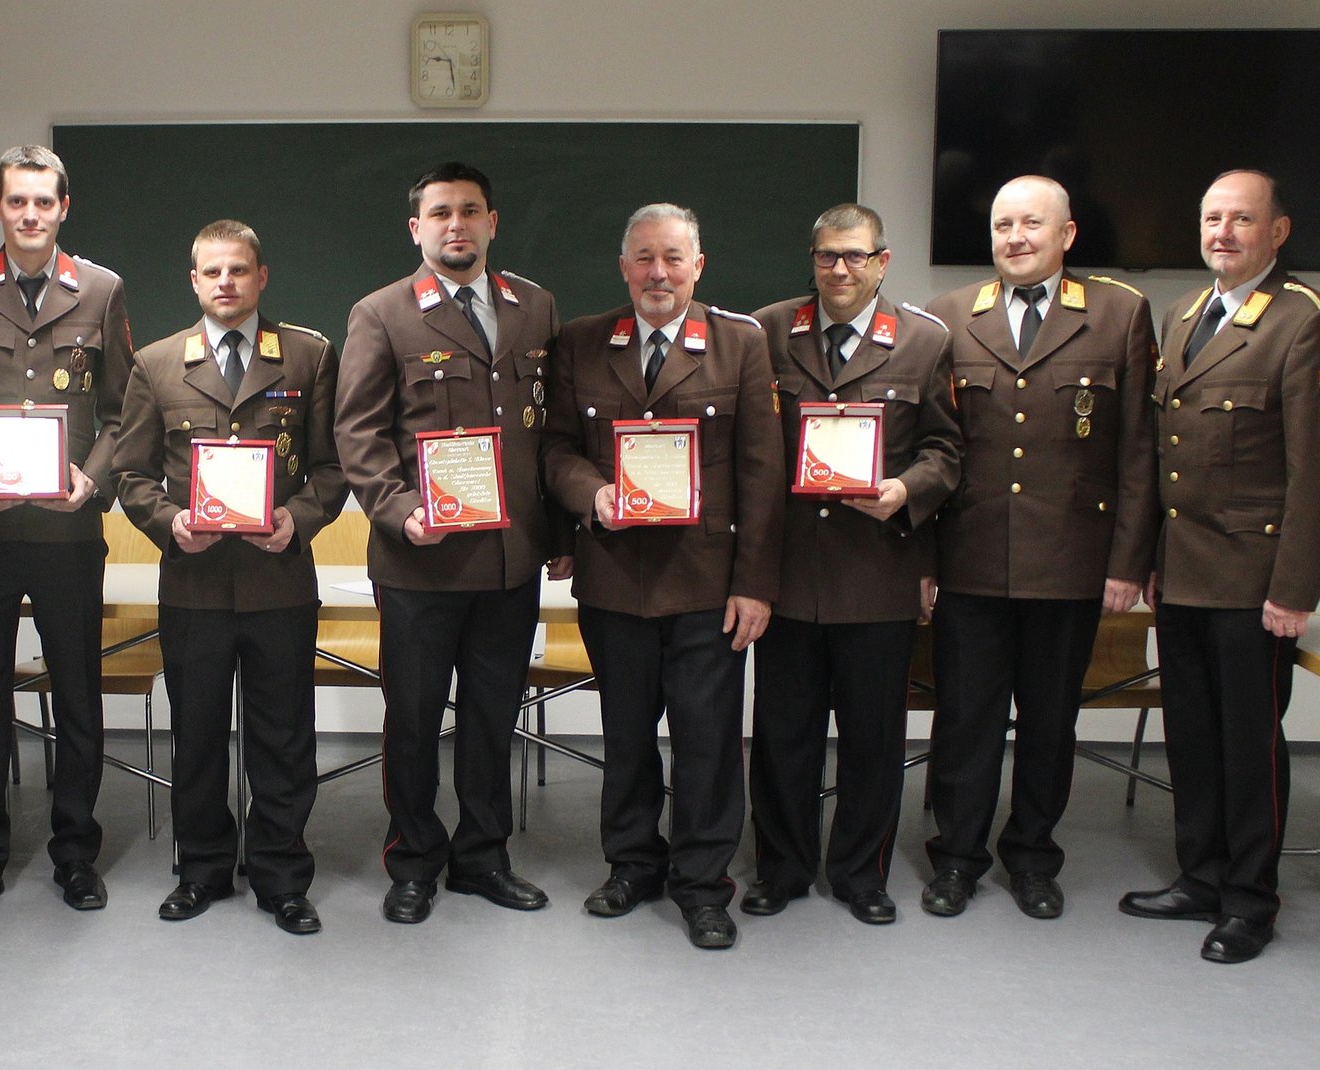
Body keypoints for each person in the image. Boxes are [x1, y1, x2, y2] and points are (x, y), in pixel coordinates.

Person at [1123, 169, 1320, 964]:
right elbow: (1169, 459)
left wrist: (1296, 590)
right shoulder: (1188, 314)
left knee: (1249, 743)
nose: (1222, 233)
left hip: (1256, 583)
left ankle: (1250, 899)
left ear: (1279, 231)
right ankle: (1200, 875)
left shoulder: (1308, 326)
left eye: (1241, 219)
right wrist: (1153, 561)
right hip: (1187, 574)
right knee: (1191, 735)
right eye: (1212, 218)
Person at [541, 204, 784, 949]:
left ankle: (704, 883)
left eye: (673, 258)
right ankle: (632, 864)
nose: (658, 273)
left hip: (707, 584)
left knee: (708, 740)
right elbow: (553, 449)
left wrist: (755, 583)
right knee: (626, 736)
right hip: (615, 578)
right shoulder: (583, 341)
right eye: (644, 258)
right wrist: (591, 497)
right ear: (624, 268)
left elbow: (762, 472)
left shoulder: (740, 342)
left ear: (698, 266)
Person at [334, 161, 566, 924]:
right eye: (440, 213)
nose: (456, 224)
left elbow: (551, 433)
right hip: (419, 558)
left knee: (492, 714)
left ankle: (482, 857)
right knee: (414, 717)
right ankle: (413, 860)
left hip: (510, 558)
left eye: (470, 210)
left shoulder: (534, 307)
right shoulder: (382, 313)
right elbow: (358, 436)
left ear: (493, 222)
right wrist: (401, 511)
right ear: (417, 228)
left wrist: (559, 533)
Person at [920, 175, 1156, 920]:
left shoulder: (1120, 314)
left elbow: (1140, 453)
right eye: (1002, 225)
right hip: (972, 558)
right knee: (965, 720)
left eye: (1031, 224)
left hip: (1071, 563)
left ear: (1067, 235)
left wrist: (1127, 562)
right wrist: (923, 562)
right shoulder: (949, 317)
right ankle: (955, 858)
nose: (1015, 238)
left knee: (1051, 721)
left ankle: (1032, 858)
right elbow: (931, 450)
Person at [0, 145, 132, 923]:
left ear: (64, 207)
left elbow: (120, 415)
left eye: (44, 202)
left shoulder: (100, 290)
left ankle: (76, 853)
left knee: (78, 696)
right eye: (17, 202)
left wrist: (93, 477)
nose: (30, 215)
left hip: (69, 533)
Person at [113, 219, 346, 934]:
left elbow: (335, 466)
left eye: (239, 270)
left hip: (279, 583)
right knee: (201, 734)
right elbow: (131, 474)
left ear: (261, 276)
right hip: (196, 584)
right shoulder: (155, 363)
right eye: (212, 272)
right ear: (193, 280)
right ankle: (203, 870)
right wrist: (170, 521)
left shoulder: (308, 356)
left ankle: (281, 875)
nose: (225, 283)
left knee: (283, 738)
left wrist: (298, 519)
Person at [747, 204, 960, 926]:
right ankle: (780, 868)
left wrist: (906, 490)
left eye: (855, 257)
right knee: (783, 735)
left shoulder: (926, 343)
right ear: (811, 258)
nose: (840, 270)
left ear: (882, 261)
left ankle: (861, 874)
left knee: (874, 738)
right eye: (827, 256)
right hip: (787, 573)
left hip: (878, 570)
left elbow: (948, 452)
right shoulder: (767, 330)